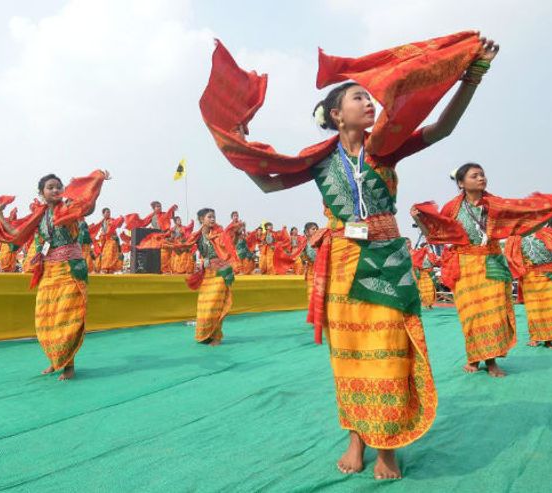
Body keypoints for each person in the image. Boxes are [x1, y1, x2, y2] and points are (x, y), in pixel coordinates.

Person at [200, 31, 497, 479]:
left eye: (371, 98)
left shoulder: (388, 148)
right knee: (350, 353)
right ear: (337, 114)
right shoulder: (319, 160)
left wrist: (471, 76)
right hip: (341, 262)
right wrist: (238, 144)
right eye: (360, 98)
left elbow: (442, 128)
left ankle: (387, 446)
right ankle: (356, 437)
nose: (370, 103)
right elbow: (268, 182)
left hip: (387, 261)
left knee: (390, 350)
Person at [413, 163, 552, 375]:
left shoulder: (495, 205)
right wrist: (417, 218)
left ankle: (491, 362)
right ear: (461, 183)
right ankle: (474, 357)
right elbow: (435, 234)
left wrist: (551, 212)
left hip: (492, 263)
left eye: (482, 174)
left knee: (494, 314)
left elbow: (522, 226)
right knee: (471, 316)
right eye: (474, 175)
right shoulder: (451, 208)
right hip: (465, 268)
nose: (481, 178)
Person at [0, 170, 108, 381]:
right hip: (49, 271)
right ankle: (55, 360)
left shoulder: (70, 207)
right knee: (46, 318)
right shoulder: (39, 215)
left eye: (58, 186)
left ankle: (68, 364)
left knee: (67, 317)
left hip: (71, 270)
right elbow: (16, 234)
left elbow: (88, 206)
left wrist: (97, 181)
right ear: (42, 193)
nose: (55, 190)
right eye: (50, 187)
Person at [185, 208, 236, 345]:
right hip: (207, 273)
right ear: (202, 219)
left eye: (214, 216)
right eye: (209, 217)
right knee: (204, 306)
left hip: (221, 272)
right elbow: (185, 247)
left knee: (216, 305)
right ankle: (206, 334)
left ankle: (216, 337)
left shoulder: (219, 234)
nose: (213, 219)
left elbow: (228, 249)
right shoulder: (197, 236)